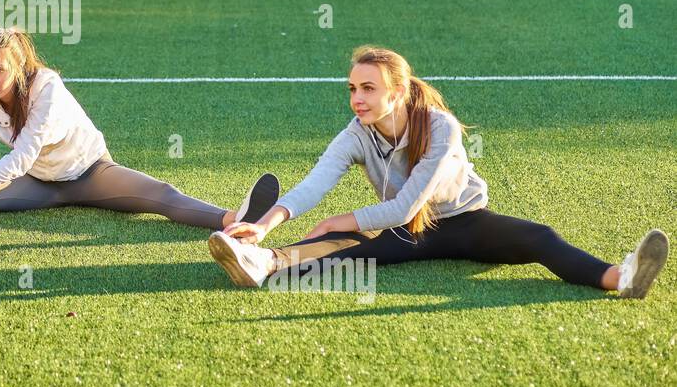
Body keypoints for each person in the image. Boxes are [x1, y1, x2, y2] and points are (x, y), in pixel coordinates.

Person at [208, 45, 668, 299]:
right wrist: (266, 225)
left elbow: (408, 202)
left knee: (540, 238)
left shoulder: (440, 127)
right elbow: (315, 183)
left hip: (465, 223)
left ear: (399, 91)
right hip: (408, 231)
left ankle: (619, 277)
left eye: (368, 88)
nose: (357, 98)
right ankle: (261, 261)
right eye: (353, 88)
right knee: (345, 252)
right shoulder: (355, 133)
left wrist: (342, 219)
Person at [0, 26, 279, 233]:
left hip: (91, 174)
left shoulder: (46, 88)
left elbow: (19, 158)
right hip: (38, 183)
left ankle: (236, 219)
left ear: (18, 65)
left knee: (160, 195)